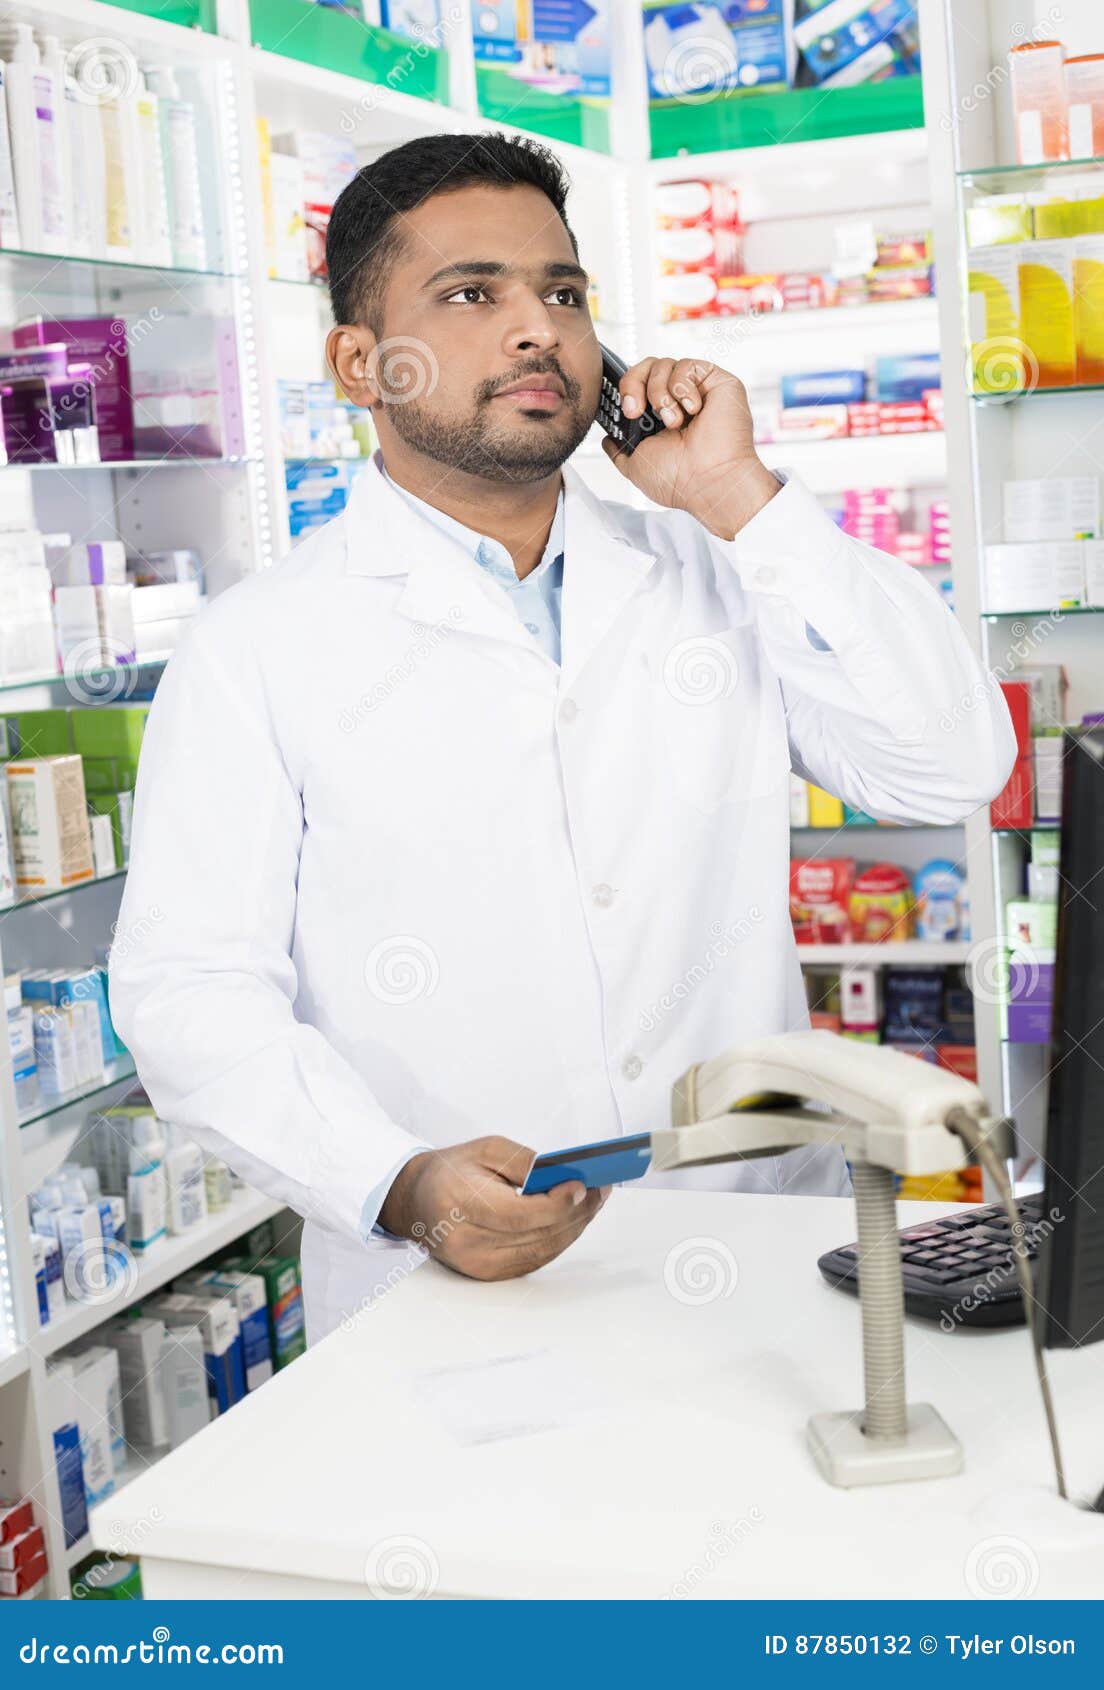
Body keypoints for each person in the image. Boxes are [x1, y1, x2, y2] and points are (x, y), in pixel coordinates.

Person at [109, 133, 1016, 1344]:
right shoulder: (257, 647)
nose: (537, 328)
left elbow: (951, 761)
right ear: (357, 360)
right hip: (442, 1307)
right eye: (473, 294)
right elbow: (191, 991)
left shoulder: (717, 566)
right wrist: (395, 1180)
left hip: (750, 1251)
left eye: (566, 293)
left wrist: (741, 497)